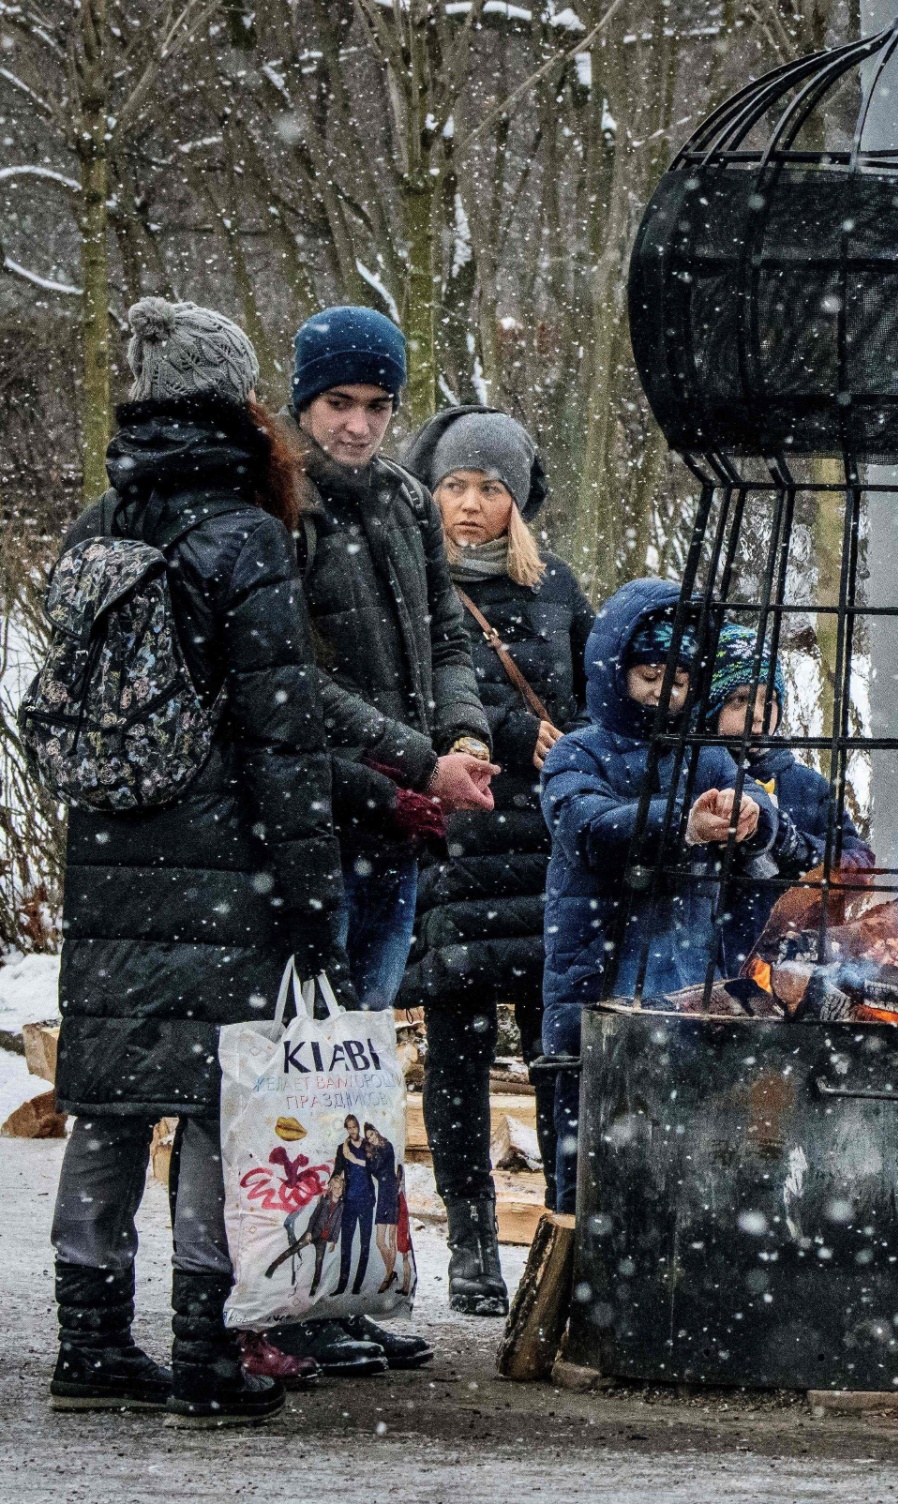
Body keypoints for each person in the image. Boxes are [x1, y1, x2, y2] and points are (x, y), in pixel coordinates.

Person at [47, 298, 344, 1426]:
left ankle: (89, 1341)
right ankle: (209, 1351)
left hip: (110, 858)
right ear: (233, 404)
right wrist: (310, 886)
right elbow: (280, 733)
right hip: (226, 864)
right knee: (223, 1102)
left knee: (112, 1104)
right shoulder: (244, 537)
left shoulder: (93, 532)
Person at [273, 305, 486, 1376]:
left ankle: (341, 1293)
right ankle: (292, 1294)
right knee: (303, 1069)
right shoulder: (283, 507)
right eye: (338, 404)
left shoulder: (406, 501)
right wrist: (411, 762)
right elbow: (290, 687)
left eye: (373, 405)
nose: (356, 425)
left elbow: (447, 636)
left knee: (356, 1064)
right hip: (320, 826)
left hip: (402, 824)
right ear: (305, 403)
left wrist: (462, 733)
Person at [397, 407, 593, 1313]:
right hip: (459, 846)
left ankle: (561, 1230)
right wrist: (517, 734)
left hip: (550, 851)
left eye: (488, 488)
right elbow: (419, 700)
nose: (468, 506)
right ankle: (471, 1242)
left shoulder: (556, 588)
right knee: (459, 1055)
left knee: (558, 1053)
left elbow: (606, 693)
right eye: (453, 486)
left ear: (518, 499)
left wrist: (581, 749)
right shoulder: (411, 585)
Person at [539, 582, 784, 1213]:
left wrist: (749, 819)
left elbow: (757, 814)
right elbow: (588, 828)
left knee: (684, 1118)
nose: (662, 694)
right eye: (649, 676)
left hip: (687, 970)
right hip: (597, 965)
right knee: (587, 1122)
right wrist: (681, 825)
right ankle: (578, 1249)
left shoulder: (703, 757)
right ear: (613, 671)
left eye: (677, 682)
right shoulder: (577, 752)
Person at [705, 622, 874, 978]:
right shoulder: (693, 778)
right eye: (740, 700)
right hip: (704, 972)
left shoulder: (807, 786)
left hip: (790, 974)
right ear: (709, 706)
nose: (758, 714)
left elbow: (860, 867)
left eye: (770, 700)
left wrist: (800, 850)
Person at [330, 1116, 375, 1298]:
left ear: (358, 1127)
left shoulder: (368, 1146)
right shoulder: (342, 1149)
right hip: (349, 1202)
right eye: (349, 1128)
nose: (352, 1131)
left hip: (366, 1201)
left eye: (355, 1127)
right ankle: (342, 1284)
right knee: (345, 1245)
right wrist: (333, 1181)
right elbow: (337, 1170)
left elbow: (374, 1167)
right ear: (346, 1129)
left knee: (365, 1244)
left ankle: (357, 1285)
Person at [364, 1125, 403, 1294]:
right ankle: (390, 1271)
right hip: (383, 1194)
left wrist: (370, 1156)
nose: (371, 1138)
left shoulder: (386, 1147)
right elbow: (371, 1170)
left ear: (376, 1132)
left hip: (391, 1191)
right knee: (380, 1241)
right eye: (368, 1137)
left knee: (391, 1239)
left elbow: (377, 1167)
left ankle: (387, 1276)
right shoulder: (373, 1152)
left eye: (372, 1134)